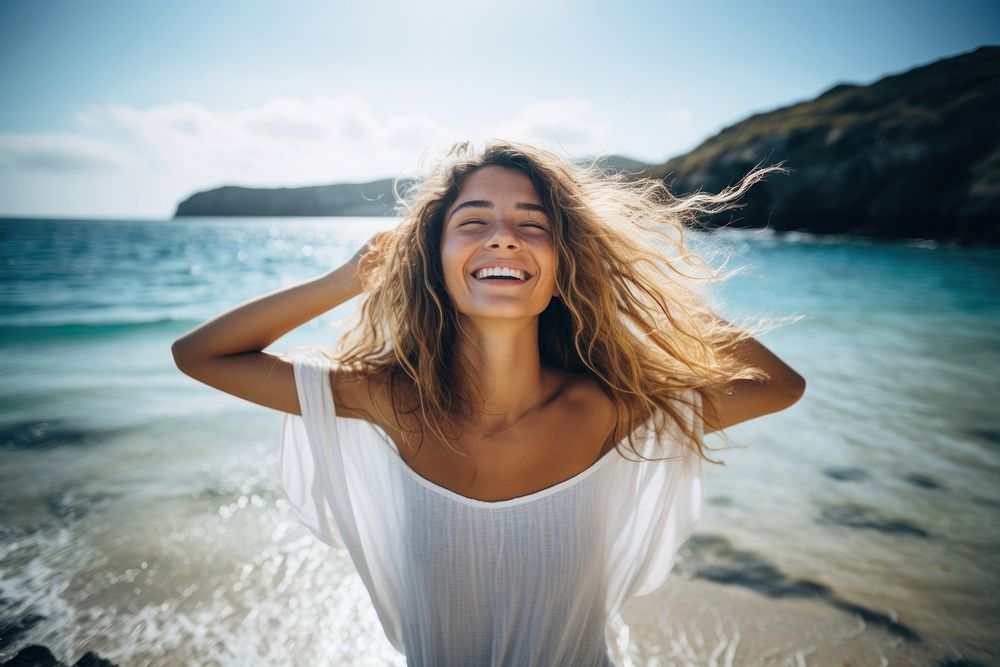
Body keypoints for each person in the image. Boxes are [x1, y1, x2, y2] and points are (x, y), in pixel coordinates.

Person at [172, 139, 806, 665]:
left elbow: (780, 386)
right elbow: (201, 355)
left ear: (564, 268)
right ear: (434, 262)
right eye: (472, 221)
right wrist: (347, 278)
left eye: (533, 225)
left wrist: (633, 287)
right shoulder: (388, 399)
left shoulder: (608, 411)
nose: (503, 238)